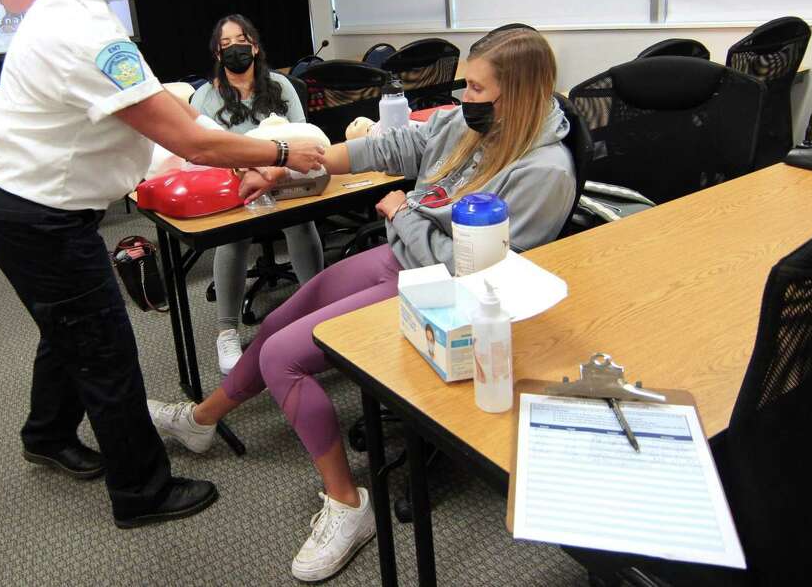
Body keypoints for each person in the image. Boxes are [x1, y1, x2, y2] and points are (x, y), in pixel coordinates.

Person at [148, 28, 575, 580]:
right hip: (405, 260)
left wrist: (401, 214)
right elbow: (392, 146)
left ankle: (350, 506)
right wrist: (297, 164)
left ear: (516, 95)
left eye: (475, 87)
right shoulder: (465, 127)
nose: (462, 97)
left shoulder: (544, 172)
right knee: (279, 319)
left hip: (446, 294)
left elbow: (477, 272)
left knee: (283, 357)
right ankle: (202, 421)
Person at [0, 0, 324, 529]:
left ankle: (45, 434)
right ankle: (142, 491)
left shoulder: (74, 2)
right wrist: (281, 151)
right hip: (39, 214)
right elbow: (192, 140)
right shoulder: (83, 32)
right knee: (103, 346)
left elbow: (148, 114)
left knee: (67, 328)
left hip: (16, 198)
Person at [189, 14, 325, 374]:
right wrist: (248, 171)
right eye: (227, 43)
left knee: (301, 222)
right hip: (236, 184)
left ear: (255, 46)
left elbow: (305, 135)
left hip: (284, 176)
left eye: (242, 39)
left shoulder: (280, 85)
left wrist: (274, 170)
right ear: (218, 53)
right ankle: (226, 331)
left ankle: (317, 314)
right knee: (233, 237)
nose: (236, 48)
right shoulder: (205, 96)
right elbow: (204, 152)